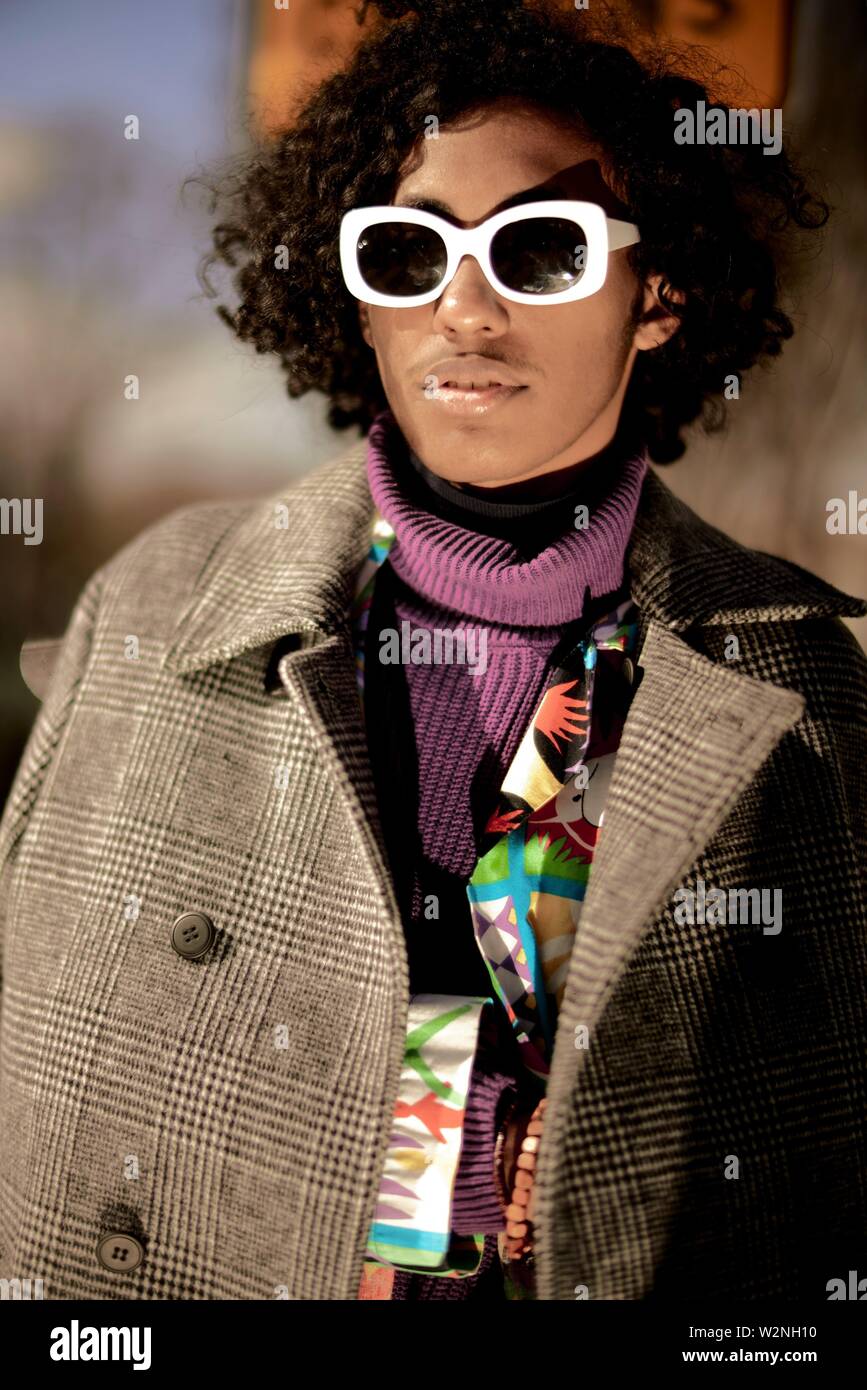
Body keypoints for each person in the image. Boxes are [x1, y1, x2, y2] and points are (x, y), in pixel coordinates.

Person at [1, 0, 865, 1302]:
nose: (464, 307)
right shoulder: (153, 607)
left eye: (543, 250)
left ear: (662, 295)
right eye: (405, 255)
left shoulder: (809, 690)